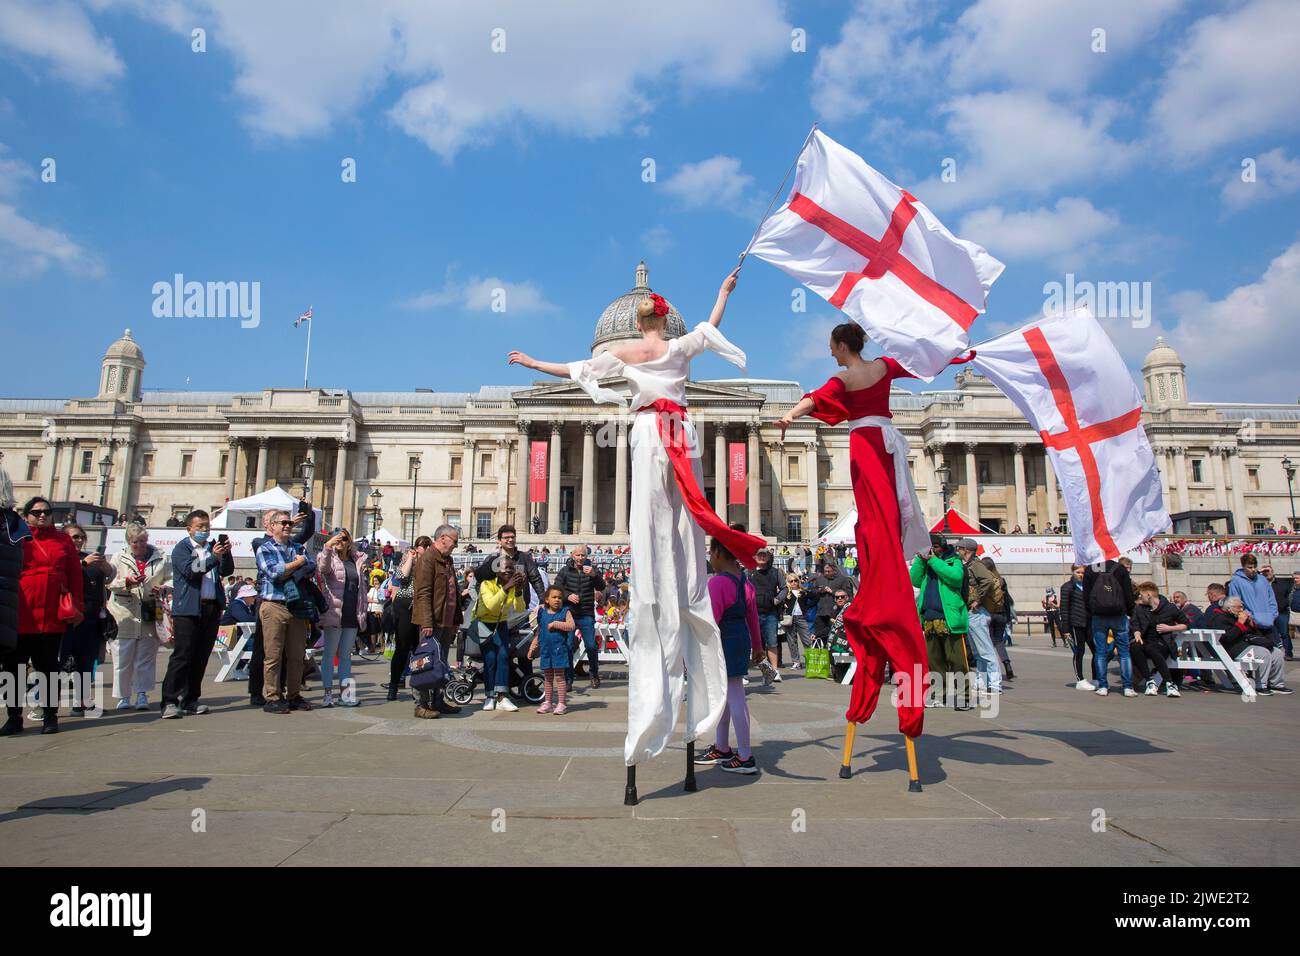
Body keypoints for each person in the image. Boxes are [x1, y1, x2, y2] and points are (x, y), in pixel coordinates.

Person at [509, 266, 764, 765]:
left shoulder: (622, 353)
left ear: (638, 322)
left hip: (649, 434)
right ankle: (693, 554)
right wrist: (723, 290)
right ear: (667, 322)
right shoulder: (681, 348)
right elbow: (711, 327)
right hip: (682, 432)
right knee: (689, 507)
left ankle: (656, 569)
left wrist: (532, 361)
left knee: (649, 510)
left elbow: (576, 369)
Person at [776, 322, 971, 738]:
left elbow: (816, 399)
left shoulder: (843, 378)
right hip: (888, 439)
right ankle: (883, 550)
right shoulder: (883, 366)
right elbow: (923, 364)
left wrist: (791, 414)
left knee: (873, 509)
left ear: (843, 345)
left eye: (832, 346)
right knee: (886, 505)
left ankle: (880, 556)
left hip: (864, 440)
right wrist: (962, 353)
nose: (830, 353)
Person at [3, 498, 85, 736]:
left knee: (48, 669)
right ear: (26, 515)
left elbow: (75, 576)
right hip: (19, 613)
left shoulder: (63, 540)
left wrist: (77, 605)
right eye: (36, 512)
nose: (42, 516)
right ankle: (13, 717)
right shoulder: (15, 537)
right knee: (14, 670)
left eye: (46, 512)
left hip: (50, 616)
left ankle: (50, 716)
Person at [693, 533, 763, 774]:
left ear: (719, 553)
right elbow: (753, 617)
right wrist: (758, 646)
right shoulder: (744, 581)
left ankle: (745, 755)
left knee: (734, 695)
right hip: (740, 639)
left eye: (711, 552)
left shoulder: (718, 583)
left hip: (724, 641)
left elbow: (710, 621)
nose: (709, 557)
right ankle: (722, 747)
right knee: (726, 696)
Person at [160, 510, 233, 720]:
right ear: (189, 528)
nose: (204, 530)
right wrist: (214, 558)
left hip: (211, 608)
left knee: (201, 656)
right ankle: (169, 700)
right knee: (182, 656)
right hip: (188, 609)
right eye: (199, 526)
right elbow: (192, 570)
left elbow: (226, 570)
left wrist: (225, 554)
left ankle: (191, 699)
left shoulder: (212, 548)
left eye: (206, 526)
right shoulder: (182, 548)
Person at [254, 509, 316, 715]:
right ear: (271, 526)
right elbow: (274, 573)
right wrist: (297, 564)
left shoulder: (298, 546)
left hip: (296, 606)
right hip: (274, 605)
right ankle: (272, 696)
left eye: (289, 523)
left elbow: (311, 568)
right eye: (283, 523)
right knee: (273, 655)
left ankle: (294, 695)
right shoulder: (265, 548)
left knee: (297, 655)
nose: (288, 526)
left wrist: (293, 567)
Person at [106, 523, 170, 710]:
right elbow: (109, 583)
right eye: (135, 542)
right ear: (128, 542)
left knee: (146, 657)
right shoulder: (118, 558)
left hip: (150, 612)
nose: (140, 545)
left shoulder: (160, 557)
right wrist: (127, 581)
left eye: (143, 541)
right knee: (122, 657)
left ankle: (142, 694)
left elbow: (170, 577)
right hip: (124, 613)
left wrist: (165, 587)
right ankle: (123, 696)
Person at [60, 523, 116, 714]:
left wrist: (105, 565)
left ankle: (82, 703)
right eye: (74, 537)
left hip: (91, 619)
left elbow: (109, 577)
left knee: (85, 663)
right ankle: (42, 704)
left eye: (80, 537)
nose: (78, 541)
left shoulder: (89, 558)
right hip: (67, 618)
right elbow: (62, 577)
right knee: (56, 664)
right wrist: (82, 564)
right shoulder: (63, 557)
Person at [909, 533, 970, 709]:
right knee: (934, 661)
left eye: (933, 547)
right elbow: (914, 580)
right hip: (930, 618)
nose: (930, 550)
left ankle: (963, 697)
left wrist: (933, 561)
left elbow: (955, 578)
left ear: (940, 547)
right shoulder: (927, 564)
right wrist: (921, 560)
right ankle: (938, 694)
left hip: (949, 618)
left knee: (957, 660)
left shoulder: (953, 561)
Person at [1195, 589, 1292, 695]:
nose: (1242, 609)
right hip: (1232, 649)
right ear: (1229, 608)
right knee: (1263, 653)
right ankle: (1261, 685)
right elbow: (1228, 637)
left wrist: (1250, 624)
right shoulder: (1219, 618)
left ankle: (1276, 684)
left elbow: (1256, 634)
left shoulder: (1237, 617)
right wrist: (1240, 623)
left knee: (1277, 653)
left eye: (1242, 607)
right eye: (1239, 607)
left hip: (1247, 645)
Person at [411, 524, 463, 717]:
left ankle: (438, 700)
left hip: (446, 621)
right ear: (443, 538)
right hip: (432, 622)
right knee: (425, 663)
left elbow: (452, 592)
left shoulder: (447, 560)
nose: (456, 545)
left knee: (440, 664)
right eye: (454, 541)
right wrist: (426, 622)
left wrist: (456, 618)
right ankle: (421, 704)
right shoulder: (428, 559)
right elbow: (423, 593)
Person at [317, 528, 367, 708]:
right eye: (336, 538)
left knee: (346, 656)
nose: (340, 541)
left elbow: (361, 587)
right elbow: (323, 568)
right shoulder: (329, 557)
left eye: (344, 538)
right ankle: (327, 694)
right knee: (329, 655)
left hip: (352, 613)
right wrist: (327, 547)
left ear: (349, 541)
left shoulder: (357, 560)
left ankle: (345, 695)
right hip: (334, 613)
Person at [475, 553, 527, 712]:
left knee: (503, 656)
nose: (509, 571)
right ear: (497, 569)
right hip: (484, 624)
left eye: (512, 568)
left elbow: (519, 608)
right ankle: (489, 696)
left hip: (501, 624)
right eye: (506, 568)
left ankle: (502, 695)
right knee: (490, 659)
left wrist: (518, 591)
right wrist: (506, 587)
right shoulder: (486, 584)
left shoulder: (512, 586)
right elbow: (491, 605)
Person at [552, 545, 606, 690]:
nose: (580, 558)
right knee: (568, 646)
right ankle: (568, 678)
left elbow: (601, 587)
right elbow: (556, 589)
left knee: (590, 646)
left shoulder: (592, 570)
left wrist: (594, 575)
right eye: (578, 555)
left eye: (583, 555)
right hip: (569, 613)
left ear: (586, 556)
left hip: (586, 613)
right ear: (572, 556)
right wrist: (567, 595)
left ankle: (594, 674)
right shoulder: (565, 571)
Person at [1084, 557, 1136, 697]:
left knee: (1100, 652)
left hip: (1099, 616)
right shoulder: (1119, 569)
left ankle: (1102, 686)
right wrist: (1130, 612)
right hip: (1119, 615)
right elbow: (1128, 594)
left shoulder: (1090, 569)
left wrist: (1092, 613)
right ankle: (1127, 687)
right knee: (1124, 652)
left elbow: (1086, 596)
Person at [955, 538, 1001, 696]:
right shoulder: (968, 564)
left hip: (977, 612)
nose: (958, 551)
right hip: (971, 612)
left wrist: (977, 599)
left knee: (986, 649)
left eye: (959, 549)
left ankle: (995, 684)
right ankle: (982, 682)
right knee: (977, 651)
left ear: (966, 550)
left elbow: (987, 580)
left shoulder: (975, 564)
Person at [1130, 581, 1187, 697]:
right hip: (1145, 640)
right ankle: (1149, 681)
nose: (1140, 597)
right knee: (1135, 646)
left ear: (1149, 595)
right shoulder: (1140, 608)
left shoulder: (1169, 608)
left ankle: (1170, 683)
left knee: (1151, 648)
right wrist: (1136, 632)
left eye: (1141, 595)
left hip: (1162, 642)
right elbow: (1134, 623)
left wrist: (1169, 628)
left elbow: (1186, 624)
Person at [746, 549, 788, 684]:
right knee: (750, 644)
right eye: (759, 554)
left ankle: (774, 671)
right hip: (752, 613)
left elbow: (784, 588)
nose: (762, 557)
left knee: (772, 643)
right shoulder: (748, 572)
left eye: (765, 554)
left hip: (770, 612)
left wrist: (777, 600)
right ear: (754, 556)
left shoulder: (775, 572)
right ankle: (745, 672)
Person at [534, 585, 576, 715]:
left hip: (559, 650)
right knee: (547, 677)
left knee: (559, 676)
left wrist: (556, 624)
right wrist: (533, 646)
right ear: (547, 600)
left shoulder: (565, 611)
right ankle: (548, 702)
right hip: (546, 650)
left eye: (559, 597)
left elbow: (571, 625)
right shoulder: (542, 613)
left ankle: (562, 703)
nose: (557, 600)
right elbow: (539, 631)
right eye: (554, 597)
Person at [1229, 554, 1278, 647]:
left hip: (1268, 622)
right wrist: (1249, 617)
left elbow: (1271, 599)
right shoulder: (1236, 581)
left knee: (1274, 652)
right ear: (1243, 566)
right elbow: (1236, 603)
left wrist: (1273, 615)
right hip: (1252, 624)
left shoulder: (1262, 579)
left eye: (1255, 567)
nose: (1253, 570)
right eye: (1250, 567)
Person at [1058, 564, 1093, 690]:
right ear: (1072, 572)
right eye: (1078, 572)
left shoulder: (1088, 586)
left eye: (1083, 572)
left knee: (1096, 650)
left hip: (1089, 623)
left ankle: (1096, 678)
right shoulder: (1067, 587)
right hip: (1075, 623)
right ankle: (1080, 679)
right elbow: (1064, 609)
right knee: (1079, 651)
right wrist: (1065, 630)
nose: (1081, 574)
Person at [980, 556, 1015, 681]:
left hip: (987, 614)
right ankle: (1007, 663)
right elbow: (1008, 600)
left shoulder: (984, 580)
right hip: (1001, 614)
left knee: (987, 644)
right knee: (999, 641)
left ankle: (993, 671)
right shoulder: (1001, 580)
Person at [810, 562, 856, 644]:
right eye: (825, 571)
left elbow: (849, 595)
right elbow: (813, 591)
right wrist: (820, 590)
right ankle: (822, 655)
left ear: (834, 571)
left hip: (835, 613)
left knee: (834, 637)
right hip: (821, 612)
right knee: (819, 637)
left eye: (829, 571)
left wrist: (833, 591)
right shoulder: (820, 579)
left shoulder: (843, 579)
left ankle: (832, 655)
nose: (826, 573)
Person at [1264, 566, 1293, 659]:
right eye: (1265, 571)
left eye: (1269, 571)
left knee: (1284, 633)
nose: (1267, 573)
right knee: (1273, 634)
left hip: (1281, 612)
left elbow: (1290, 595)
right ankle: (1277, 653)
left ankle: (1288, 653)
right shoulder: (1260, 583)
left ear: (1273, 572)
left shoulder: (1282, 583)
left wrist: (1286, 604)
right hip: (1268, 613)